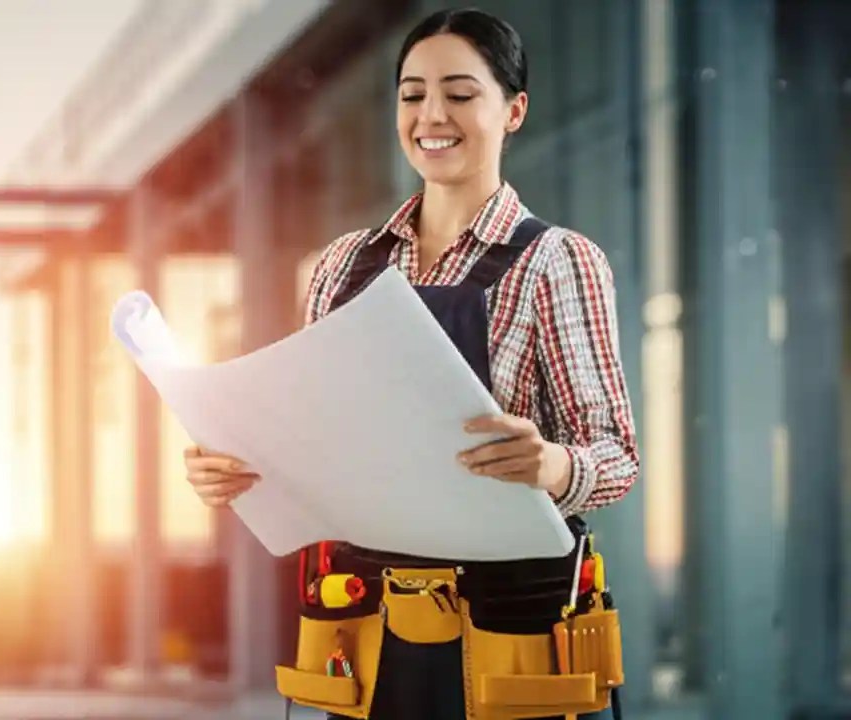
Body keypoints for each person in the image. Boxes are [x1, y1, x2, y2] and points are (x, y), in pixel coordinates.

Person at [184, 7, 638, 720]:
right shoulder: (344, 264)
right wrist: (237, 468)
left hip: (508, 633)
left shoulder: (558, 262)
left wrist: (550, 465)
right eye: (412, 93)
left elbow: (617, 456)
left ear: (514, 110)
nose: (433, 114)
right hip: (364, 629)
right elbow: (317, 439)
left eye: (461, 94)